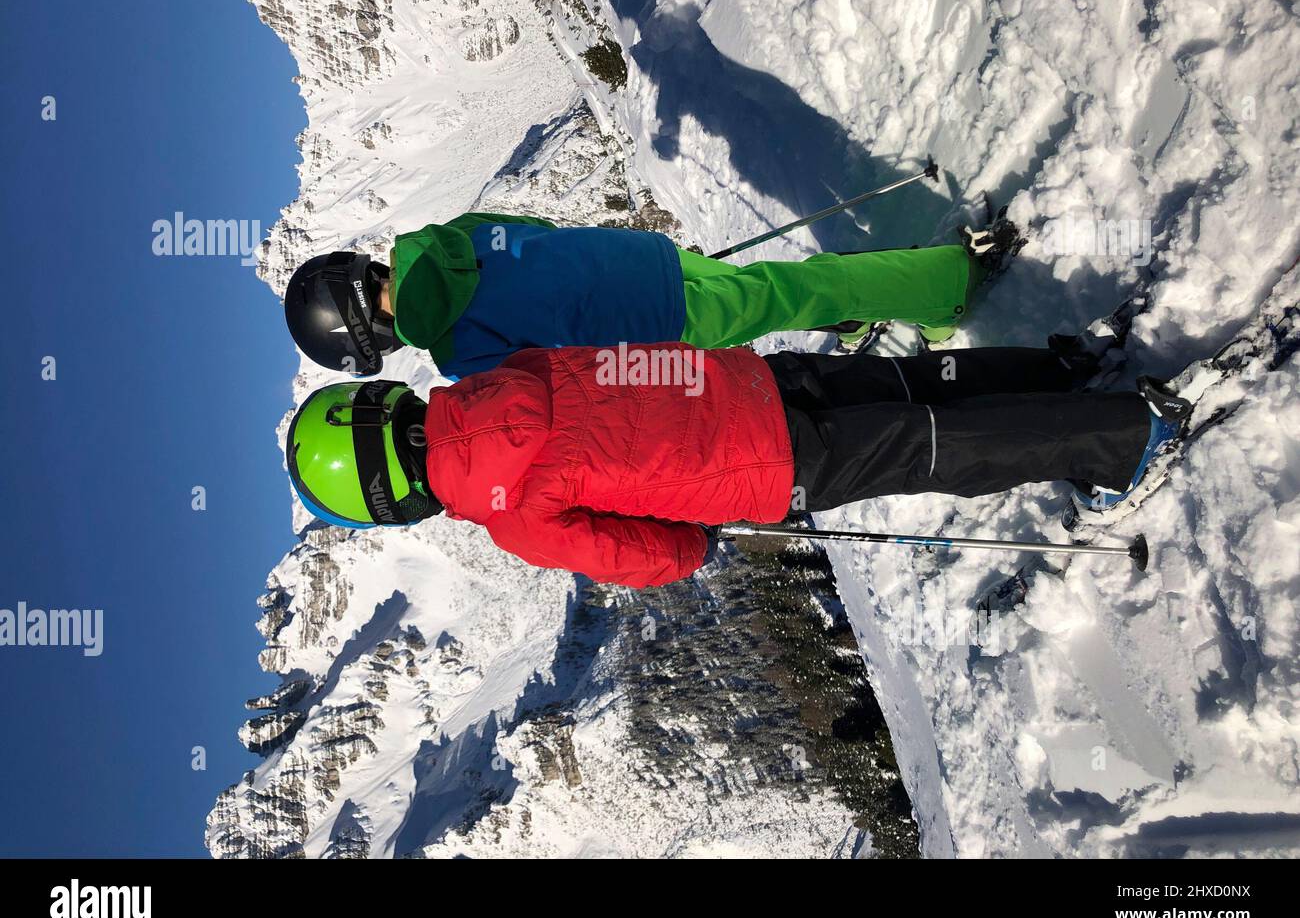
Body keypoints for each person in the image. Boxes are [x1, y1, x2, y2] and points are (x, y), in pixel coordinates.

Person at [284, 342, 1188, 588]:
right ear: (383, 402)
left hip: (760, 467)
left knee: (930, 447)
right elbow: (607, 369)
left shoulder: (515, 517)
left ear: (390, 505)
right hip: (748, 379)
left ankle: (1121, 435)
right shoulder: (500, 375)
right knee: (913, 381)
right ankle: (1059, 367)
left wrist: (695, 541)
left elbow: (647, 556)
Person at [282, 211, 993, 378]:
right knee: (773, 287)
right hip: (638, 255)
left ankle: (945, 287)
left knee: (794, 292)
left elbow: (563, 372)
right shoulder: (441, 237)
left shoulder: (458, 354)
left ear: (366, 341)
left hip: (657, 319)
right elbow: (536, 232)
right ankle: (871, 303)